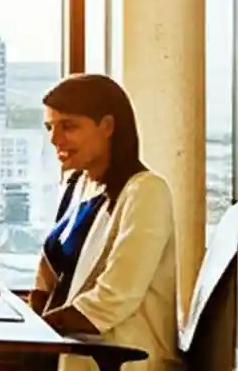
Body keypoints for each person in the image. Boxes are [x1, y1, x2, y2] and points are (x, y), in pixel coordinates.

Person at [27, 74, 179, 371]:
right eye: (50, 128)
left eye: (68, 126)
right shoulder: (78, 185)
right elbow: (51, 276)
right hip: (66, 344)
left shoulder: (146, 192)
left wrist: (34, 332)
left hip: (113, 355)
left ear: (107, 126)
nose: (54, 139)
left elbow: (113, 299)